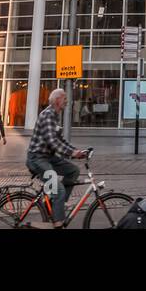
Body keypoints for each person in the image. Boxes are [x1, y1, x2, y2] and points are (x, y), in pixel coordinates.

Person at [25, 89, 89, 227]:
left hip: (48, 158)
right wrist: (71, 154)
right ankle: (58, 221)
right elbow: (52, 142)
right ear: (57, 100)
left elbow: (60, 140)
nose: (67, 101)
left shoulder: (54, 116)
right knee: (59, 190)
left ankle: (56, 206)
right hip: (37, 159)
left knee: (73, 171)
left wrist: (77, 151)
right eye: (65, 99)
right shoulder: (47, 115)